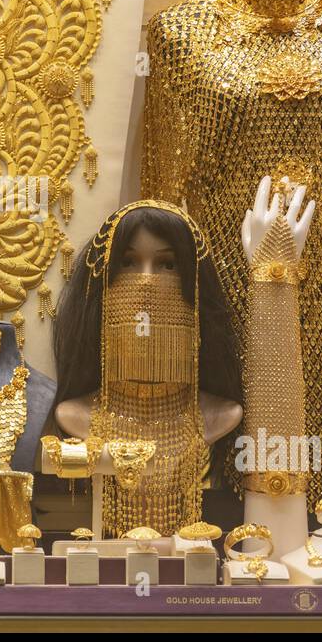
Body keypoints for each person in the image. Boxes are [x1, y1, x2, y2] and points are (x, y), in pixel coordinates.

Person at [52, 200, 243, 536]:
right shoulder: (73, 414)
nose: (145, 281)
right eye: (127, 262)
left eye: (168, 264)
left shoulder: (221, 415)